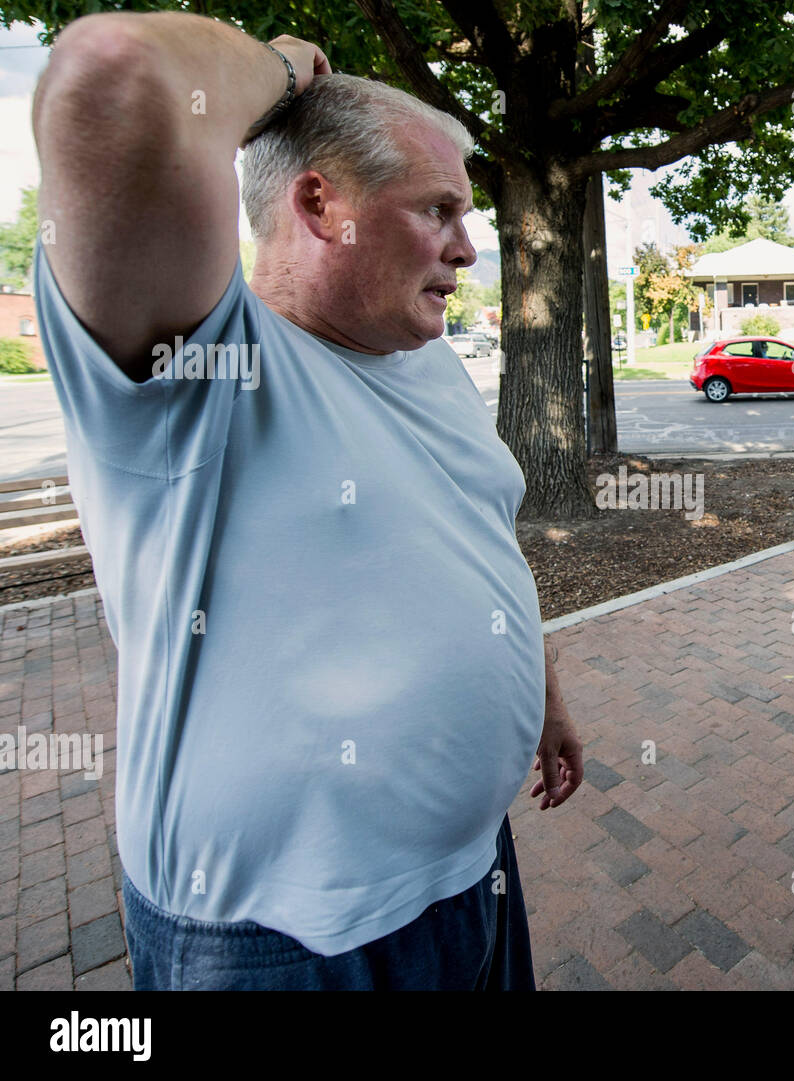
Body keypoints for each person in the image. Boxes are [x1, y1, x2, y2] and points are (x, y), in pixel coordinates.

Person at [32, 11, 582, 990]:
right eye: (439, 211)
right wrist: (291, 72)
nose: (468, 249)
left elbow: (472, 529)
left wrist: (537, 686)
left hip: (474, 879)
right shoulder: (199, 373)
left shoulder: (429, 364)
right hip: (289, 943)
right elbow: (114, 79)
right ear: (323, 204)